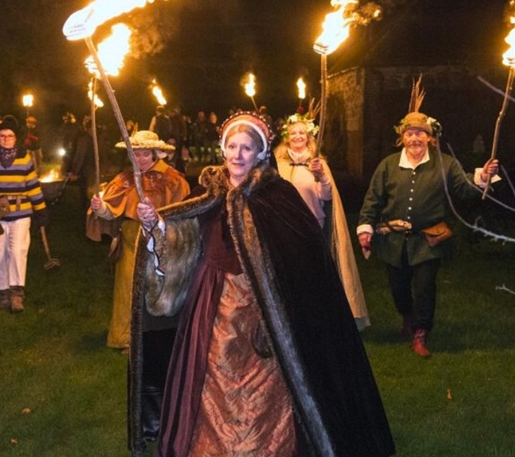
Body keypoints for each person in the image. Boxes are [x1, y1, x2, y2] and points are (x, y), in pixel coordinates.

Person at [129, 112, 394, 456]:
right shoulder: (208, 191)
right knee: (211, 374)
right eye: (232, 147)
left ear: (261, 153)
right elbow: (184, 237)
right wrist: (156, 224)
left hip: (263, 305)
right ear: (222, 149)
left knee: (270, 377)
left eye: (247, 148)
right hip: (212, 300)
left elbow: (302, 249)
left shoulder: (276, 195)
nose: (238, 155)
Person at [357, 78, 500, 357]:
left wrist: (483, 175)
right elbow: (373, 199)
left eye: (420, 134)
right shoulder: (388, 165)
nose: (414, 138)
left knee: (425, 287)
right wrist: (365, 228)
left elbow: (463, 187)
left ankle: (421, 332)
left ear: (429, 137)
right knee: (399, 288)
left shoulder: (445, 163)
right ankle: (407, 318)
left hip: (428, 240)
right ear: (402, 138)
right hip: (394, 240)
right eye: (409, 134)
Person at [89, 131, 190, 351]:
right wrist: (101, 207)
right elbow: (113, 211)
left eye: (145, 154)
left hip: (158, 240)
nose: (140, 159)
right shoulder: (125, 178)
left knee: (152, 287)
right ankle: (126, 337)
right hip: (128, 240)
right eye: (136, 154)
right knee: (127, 287)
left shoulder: (172, 180)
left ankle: (151, 335)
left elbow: (181, 215)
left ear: (155, 154)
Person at [274, 110, 370, 330]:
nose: (298, 137)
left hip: (313, 227)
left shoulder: (318, 164)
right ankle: (292, 318)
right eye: (293, 133)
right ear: (287, 136)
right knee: (290, 274)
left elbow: (326, 196)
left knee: (312, 274)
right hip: (286, 229)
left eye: (302, 133)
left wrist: (322, 176)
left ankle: (316, 317)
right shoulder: (278, 164)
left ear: (309, 137)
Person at [0, 115, 48, 313]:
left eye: (9, 135)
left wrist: (41, 210)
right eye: (2, 136)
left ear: (16, 137)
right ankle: (1, 291)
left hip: (21, 214)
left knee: (17, 251)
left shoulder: (24, 158)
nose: (5, 139)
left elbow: (33, 186)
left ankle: (16, 293)